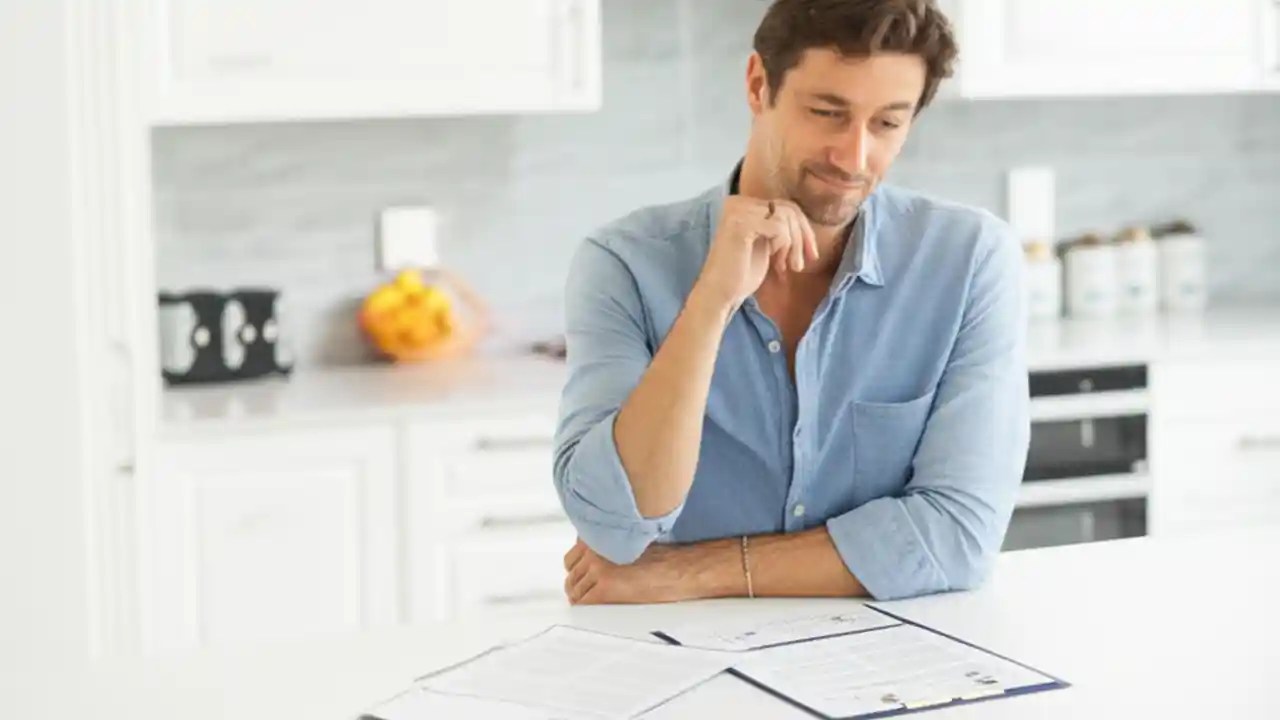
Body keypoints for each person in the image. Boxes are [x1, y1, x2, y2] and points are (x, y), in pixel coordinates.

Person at [555, 0, 1029, 604]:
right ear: (759, 84)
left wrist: (689, 571)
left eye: (887, 124)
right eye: (828, 113)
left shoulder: (967, 261)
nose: (854, 157)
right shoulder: (624, 263)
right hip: (683, 662)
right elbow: (613, 527)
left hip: (891, 661)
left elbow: (958, 537)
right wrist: (711, 302)